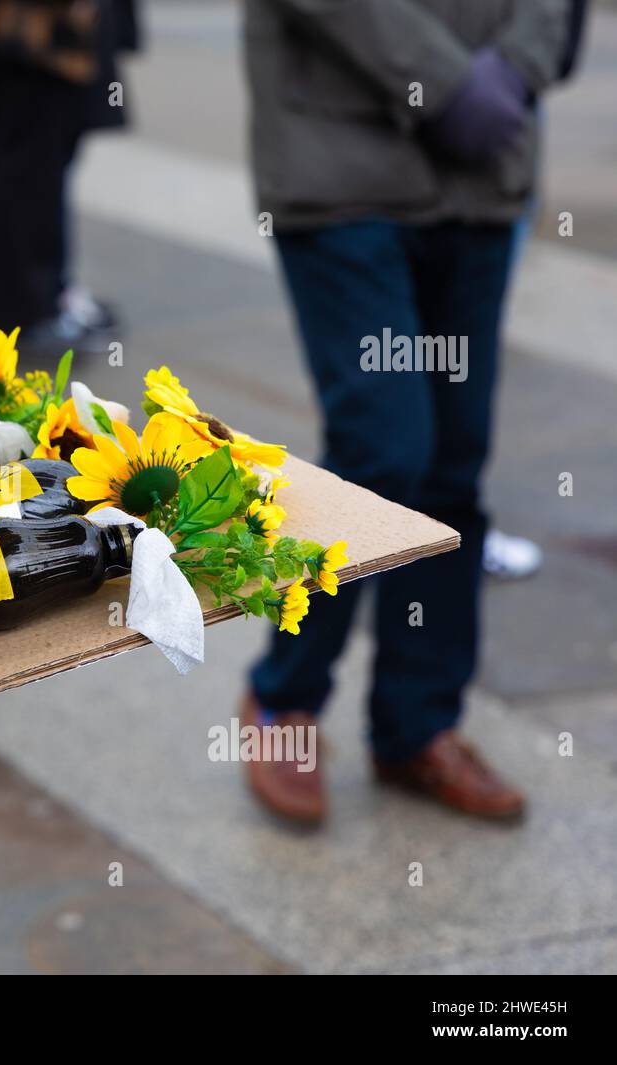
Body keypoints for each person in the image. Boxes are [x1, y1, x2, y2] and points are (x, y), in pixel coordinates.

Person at [238, 0, 573, 825]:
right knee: (383, 449)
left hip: (483, 171)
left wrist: (512, 74)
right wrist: (450, 85)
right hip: (344, 165)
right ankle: (282, 700)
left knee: (453, 467)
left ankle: (418, 724)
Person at [0, 0, 139, 356]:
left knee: (45, 172)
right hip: (28, 38)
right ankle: (23, 313)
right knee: (23, 173)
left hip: (55, 40)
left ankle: (47, 296)